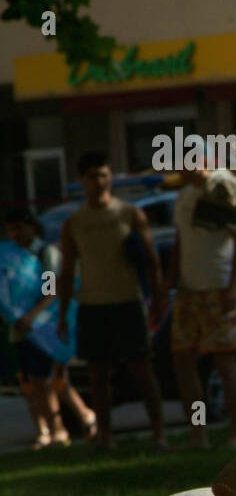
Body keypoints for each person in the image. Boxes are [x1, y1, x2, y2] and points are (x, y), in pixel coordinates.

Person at [57, 151, 168, 452]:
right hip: (92, 304)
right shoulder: (74, 223)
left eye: (104, 175)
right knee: (97, 376)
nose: (100, 181)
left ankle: (159, 435)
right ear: (82, 181)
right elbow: (66, 271)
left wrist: (157, 300)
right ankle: (105, 438)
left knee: (142, 371)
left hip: (128, 302)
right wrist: (63, 313)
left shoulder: (130, 213)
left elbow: (151, 261)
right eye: (93, 176)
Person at [163, 153, 236, 449]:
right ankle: (198, 433)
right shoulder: (183, 197)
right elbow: (179, 241)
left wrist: (232, 288)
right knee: (183, 361)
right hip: (188, 291)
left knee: (224, 362)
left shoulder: (224, 188)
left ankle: (235, 433)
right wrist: (169, 281)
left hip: (219, 287)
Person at [4, 208, 96, 447]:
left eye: (19, 228)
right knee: (29, 381)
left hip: (46, 328)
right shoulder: (9, 256)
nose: (15, 233)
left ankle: (68, 424)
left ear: (32, 227)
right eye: (11, 229)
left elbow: (50, 291)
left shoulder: (45, 254)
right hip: (21, 328)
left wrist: (31, 317)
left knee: (49, 379)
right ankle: (46, 430)